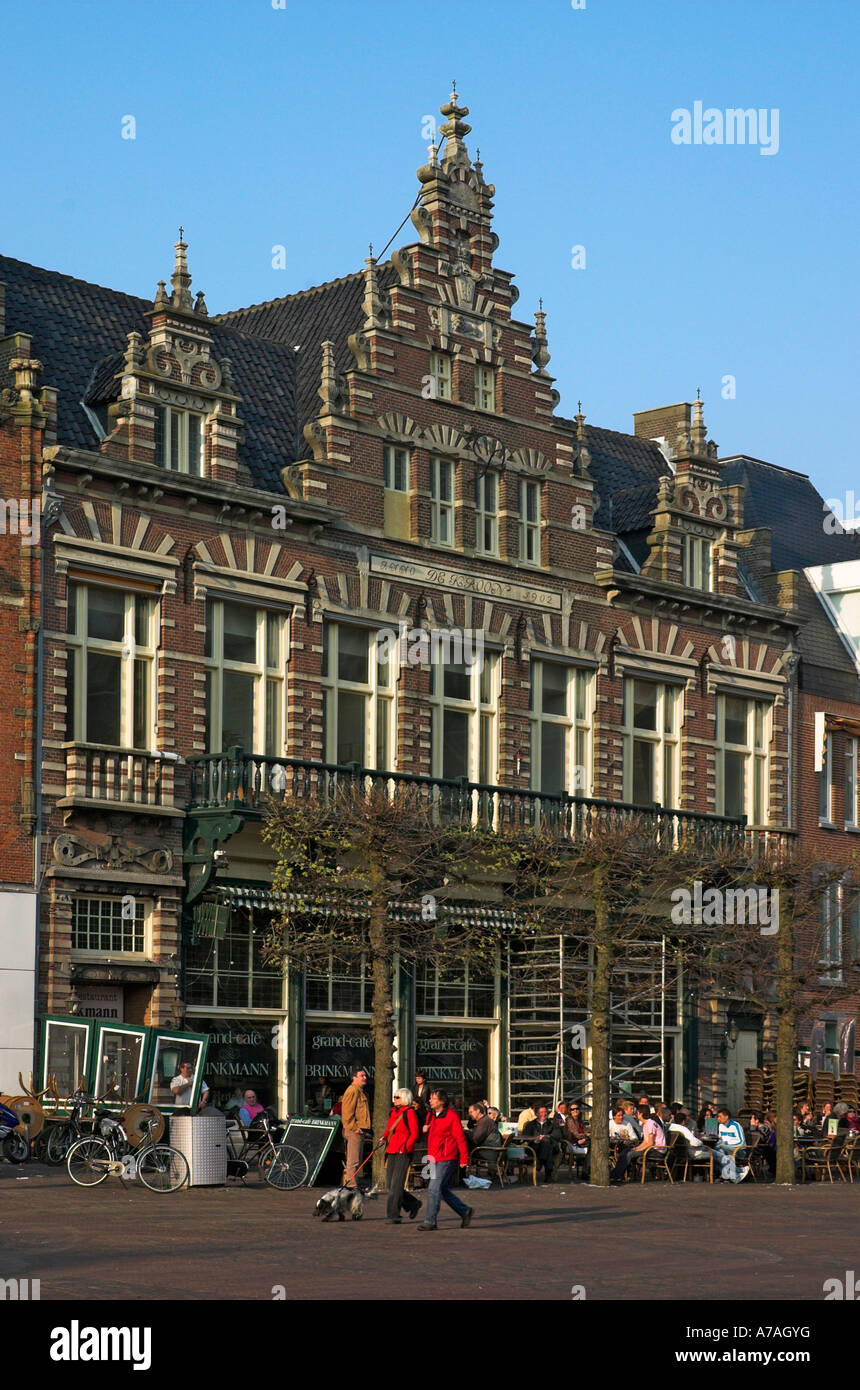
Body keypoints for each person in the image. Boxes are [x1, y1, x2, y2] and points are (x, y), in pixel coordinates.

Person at [416, 1089, 472, 1231]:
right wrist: (425, 1130)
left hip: (447, 1158)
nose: (430, 1100)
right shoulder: (430, 1116)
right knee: (441, 1189)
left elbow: (460, 1138)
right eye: (430, 1098)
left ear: (442, 1101)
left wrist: (464, 1158)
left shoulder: (452, 1116)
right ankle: (464, 1210)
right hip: (433, 1157)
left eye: (433, 1098)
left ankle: (430, 1221)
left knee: (434, 1188)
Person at [383, 1088, 422, 1224]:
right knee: (390, 1184)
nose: (394, 1099)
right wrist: (384, 1137)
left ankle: (393, 1215)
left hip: (403, 1151)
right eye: (394, 1097)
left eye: (397, 1097)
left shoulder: (410, 1113)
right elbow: (389, 1128)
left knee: (396, 1185)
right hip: (392, 1149)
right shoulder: (394, 1112)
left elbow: (415, 1133)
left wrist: (406, 1147)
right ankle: (413, 1204)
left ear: (405, 1098)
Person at [610, 1104, 666, 1184]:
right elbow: (645, 1142)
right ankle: (616, 1174)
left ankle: (617, 1176)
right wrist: (636, 1148)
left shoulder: (650, 1124)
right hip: (652, 1148)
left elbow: (650, 1143)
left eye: (637, 1113)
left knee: (629, 1154)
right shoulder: (646, 1124)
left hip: (657, 1150)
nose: (636, 1115)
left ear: (641, 1114)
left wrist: (637, 1149)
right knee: (626, 1151)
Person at [341, 1067, 371, 1189]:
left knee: (357, 1159)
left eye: (365, 1075)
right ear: (354, 1077)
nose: (365, 1078)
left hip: (359, 1130)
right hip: (354, 1131)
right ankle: (351, 1185)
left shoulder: (359, 1091)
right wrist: (355, 1128)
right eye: (361, 1076)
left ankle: (354, 1184)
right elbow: (347, 1112)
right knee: (353, 1160)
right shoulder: (352, 1091)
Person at [523, 1104, 564, 1183]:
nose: (544, 1114)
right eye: (541, 1112)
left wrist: (547, 1136)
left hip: (550, 1146)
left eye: (545, 1112)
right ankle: (548, 1174)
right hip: (534, 1146)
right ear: (536, 1114)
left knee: (546, 1143)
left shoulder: (552, 1124)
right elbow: (526, 1136)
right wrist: (535, 1140)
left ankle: (540, 1161)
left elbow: (558, 1134)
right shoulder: (530, 1124)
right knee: (547, 1147)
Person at [715, 1108, 750, 1183]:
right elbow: (720, 1139)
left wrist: (726, 1143)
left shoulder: (736, 1126)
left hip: (739, 1150)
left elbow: (741, 1142)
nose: (718, 1119)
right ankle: (738, 1171)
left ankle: (727, 1175)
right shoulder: (720, 1126)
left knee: (719, 1149)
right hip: (726, 1149)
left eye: (720, 1117)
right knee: (719, 1152)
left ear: (726, 1117)